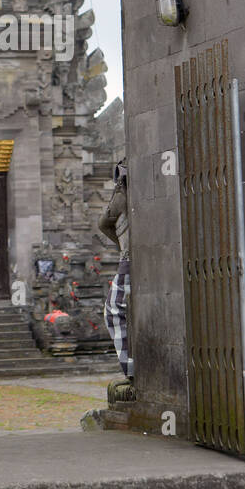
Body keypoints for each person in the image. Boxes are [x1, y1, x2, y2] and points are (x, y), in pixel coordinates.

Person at [99, 158, 134, 397]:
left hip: (130, 259)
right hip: (130, 256)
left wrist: (123, 249)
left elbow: (104, 222)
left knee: (114, 309)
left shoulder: (125, 183)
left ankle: (132, 370)